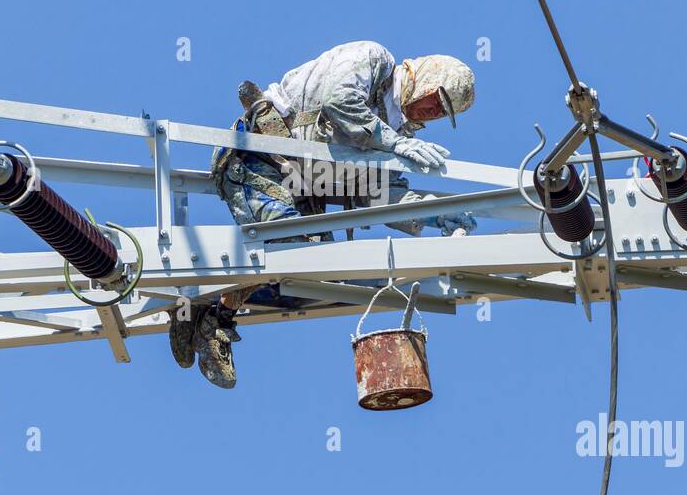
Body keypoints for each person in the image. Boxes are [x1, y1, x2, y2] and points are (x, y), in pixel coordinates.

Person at [172, 40, 477, 388]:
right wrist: (394, 143)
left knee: (310, 281)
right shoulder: (374, 61)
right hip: (258, 161)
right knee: (292, 250)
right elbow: (338, 99)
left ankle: (207, 309)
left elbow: (377, 195)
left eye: (442, 112)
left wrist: (433, 211)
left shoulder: (397, 129)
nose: (433, 111)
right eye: (437, 99)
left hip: (304, 185)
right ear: (425, 78)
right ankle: (209, 316)